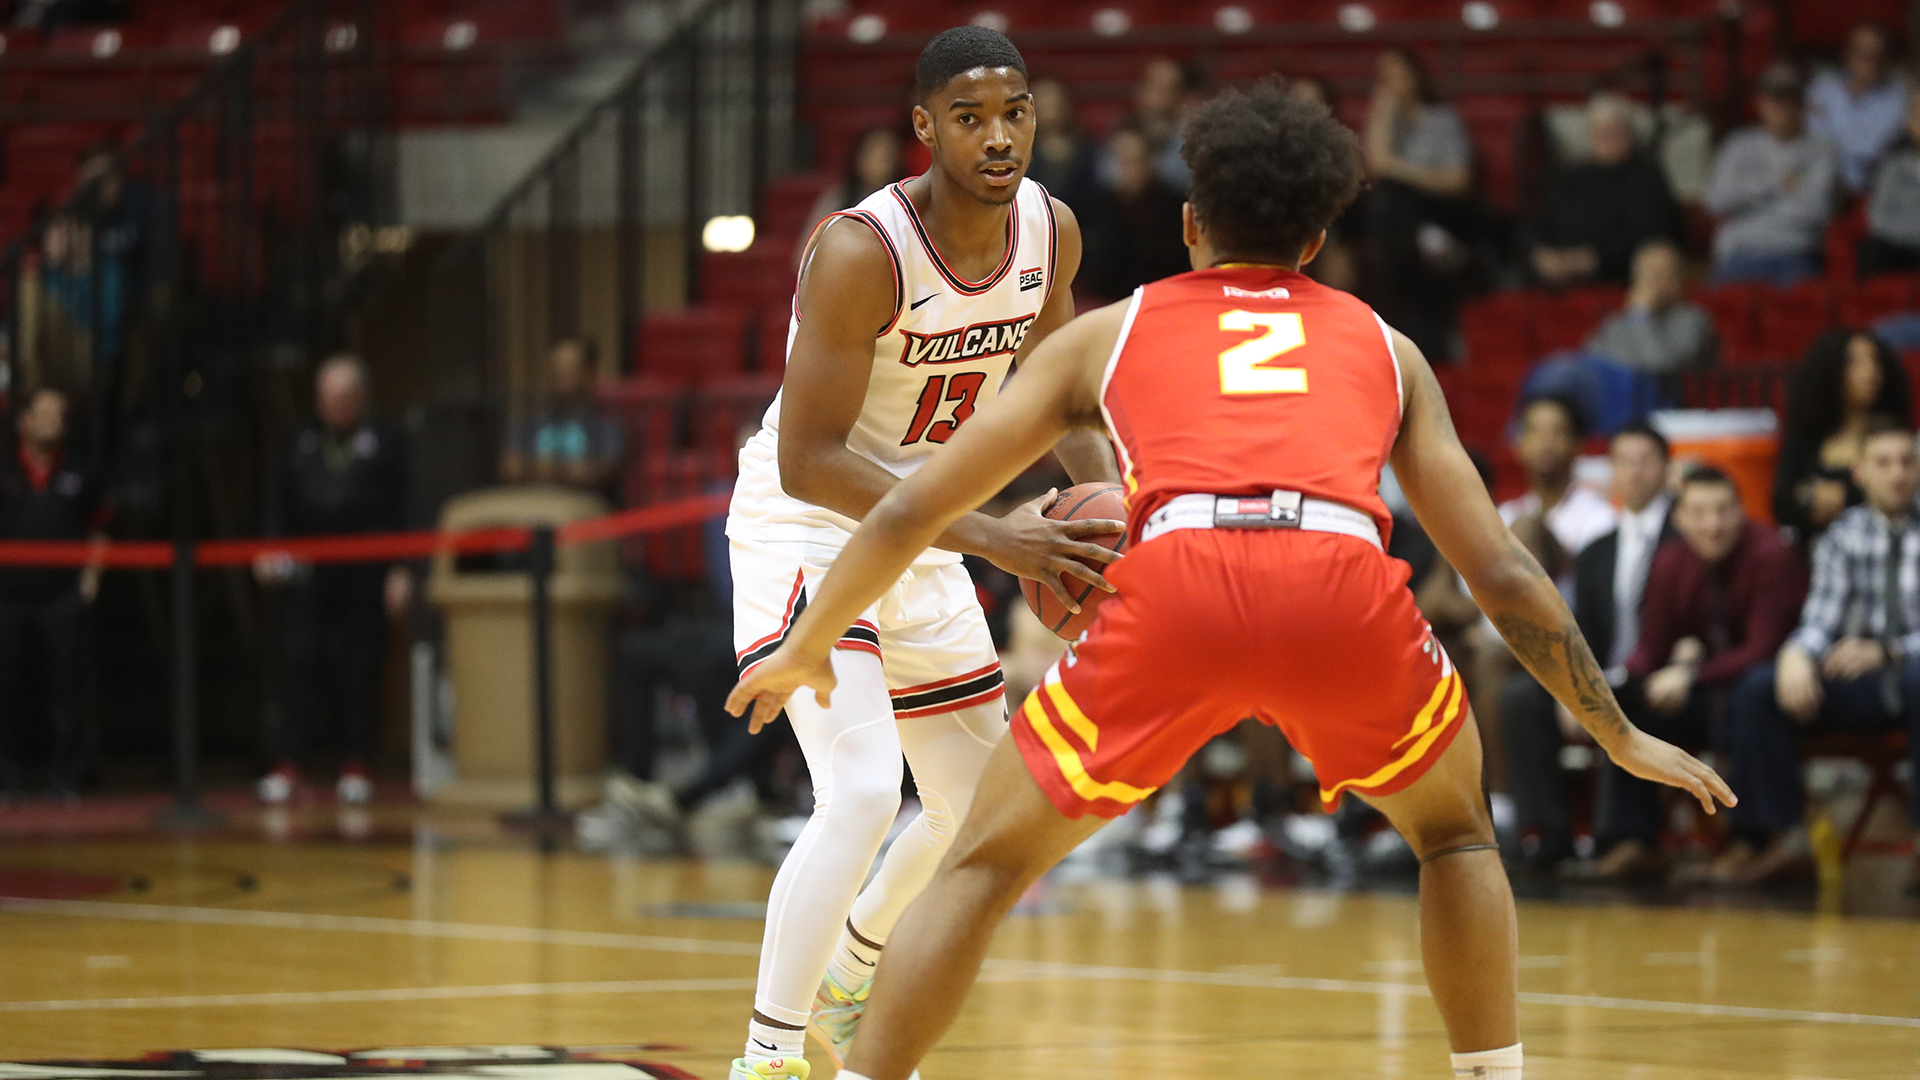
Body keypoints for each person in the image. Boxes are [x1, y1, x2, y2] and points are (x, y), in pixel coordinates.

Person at [730, 86, 1731, 1080]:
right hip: (1340, 584)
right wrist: (1616, 731)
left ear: (1189, 224)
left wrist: (809, 643)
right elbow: (1502, 572)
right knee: (1458, 838)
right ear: (1318, 237)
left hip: (1179, 586)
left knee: (983, 865)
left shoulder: (1108, 334)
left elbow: (906, 508)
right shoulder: (1391, 349)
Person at [720, 26, 1120, 1080]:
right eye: (971, 117)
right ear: (924, 129)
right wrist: (999, 538)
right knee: (858, 791)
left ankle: (854, 970)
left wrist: (1119, 496)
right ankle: (763, 1058)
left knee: (984, 808)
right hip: (809, 523)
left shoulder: (1050, 230)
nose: (999, 137)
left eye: (1016, 112)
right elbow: (809, 461)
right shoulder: (862, 250)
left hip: (932, 521)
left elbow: (1062, 394)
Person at [1585, 467, 1804, 881]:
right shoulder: (1670, 561)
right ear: (1680, 518)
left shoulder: (1772, 554)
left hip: (1768, 691)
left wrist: (1691, 676)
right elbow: (1652, 646)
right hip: (1707, 690)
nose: (1713, 525)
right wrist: (1619, 682)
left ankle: (1759, 842)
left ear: (1742, 511)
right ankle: (1633, 840)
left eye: (1723, 511)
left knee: (1752, 693)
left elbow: (1763, 648)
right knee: (1629, 700)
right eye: (1700, 513)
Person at [1734, 420, 1920, 889]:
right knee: (1759, 688)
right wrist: (1795, 654)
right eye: (1884, 463)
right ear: (1860, 473)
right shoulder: (1842, 534)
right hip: (1857, 682)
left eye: (1907, 461)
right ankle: (1786, 840)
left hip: (1908, 673)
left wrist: (1888, 650)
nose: (1897, 473)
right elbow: (1820, 617)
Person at [1501, 422, 1673, 871]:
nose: (1634, 473)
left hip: (1659, 676)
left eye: (1645, 461)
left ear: (1666, 471)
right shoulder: (1598, 548)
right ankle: (1546, 833)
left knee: (1626, 695)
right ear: (1610, 472)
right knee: (1521, 698)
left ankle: (1622, 839)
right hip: (1606, 674)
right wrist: (1569, 688)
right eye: (1624, 462)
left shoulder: (1683, 539)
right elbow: (1586, 632)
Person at [255, 354, 411, 806]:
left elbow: (402, 507)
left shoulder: (387, 440)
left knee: (360, 667)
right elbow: (277, 500)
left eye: (344, 396)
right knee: (298, 660)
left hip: (366, 573)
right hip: (307, 573)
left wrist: (401, 569)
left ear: (361, 397)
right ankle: (289, 763)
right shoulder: (299, 439)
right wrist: (269, 548)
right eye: (327, 396)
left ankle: (357, 763)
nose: (335, 405)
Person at [0, 387, 107, 803]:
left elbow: (100, 524)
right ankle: (6, 779)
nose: (55, 423)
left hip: (61, 595)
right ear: (24, 421)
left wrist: (92, 575)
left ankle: (65, 778)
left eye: (60, 416)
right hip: (8, 596)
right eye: (45, 415)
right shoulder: (5, 469)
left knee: (64, 691)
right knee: (4, 689)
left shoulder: (80, 472)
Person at [1362, 47, 1478, 361]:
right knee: (1390, 200)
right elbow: (1375, 166)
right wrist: (1383, 112)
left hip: (1443, 210)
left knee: (1396, 198)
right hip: (1399, 220)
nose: (1393, 84)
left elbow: (1457, 180)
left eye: (1399, 75)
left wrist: (1403, 173)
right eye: (1385, 78)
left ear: (1416, 76)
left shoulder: (1441, 120)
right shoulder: (1384, 122)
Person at [1528, 95, 1684, 289]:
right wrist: (1543, 257)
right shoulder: (1567, 180)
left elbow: (1652, 234)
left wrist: (1593, 259)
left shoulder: (1648, 178)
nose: (1607, 139)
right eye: (1600, 132)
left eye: (1614, 131)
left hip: (1623, 280)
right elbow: (1540, 225)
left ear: (1630, 135)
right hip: (1561, 282)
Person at [1704, 62, 1838, 286]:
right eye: (1775, 99)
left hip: (1796, 254)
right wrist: (1776, 185)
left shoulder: (1822, 150)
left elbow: (1816, 210)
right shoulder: (1738, 144)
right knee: (1713, 308)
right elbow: (1716, 201)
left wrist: (1746, 205)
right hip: (1741, 254)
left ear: (1802, 104)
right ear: (1761, 103)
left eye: (1790, 99)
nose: (1783, 107)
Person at [1773, 329, 1912, 542]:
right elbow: (1782, 502)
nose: (1869, 373)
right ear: (1830, 371)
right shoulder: (1805, 437)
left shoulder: (1895, 435)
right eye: (1855, 363)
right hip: (1813, 550)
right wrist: (1813, 500)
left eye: (1875, 362)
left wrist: (1844, 498)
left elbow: (1903, 495)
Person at [1500, 396, 1618, 582]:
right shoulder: (1504, 515)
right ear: (1518, 445)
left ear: (1577, 444)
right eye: (1534, 431)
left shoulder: (1601, 518)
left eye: (1556, 432)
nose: (1545, 442)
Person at [1078, 124, 1191, 303]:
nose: (1127, 170)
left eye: (1135, 161)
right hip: (1110, 305)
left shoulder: (1175, 206)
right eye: (1122, 161)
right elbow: (1094, 273)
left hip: (1166, 300)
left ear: (1150, 162)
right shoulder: (1096, 207)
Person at [499, 337, 622, 500]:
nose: (561, 376)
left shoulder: (605, 425)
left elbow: (601, 471)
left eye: (570, 369)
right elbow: (510, 467)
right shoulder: (533, 421)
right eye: (556, 369)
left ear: (588, 373)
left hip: (582, 506)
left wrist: (545, 469)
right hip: (531, 500)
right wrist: (564, 470)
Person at [1582, 240, 1717, 376]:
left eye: (1666, 275)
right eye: (1651, 275)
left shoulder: (1693, 321)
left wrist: (1641, 315)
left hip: (1665, 395)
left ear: (1680, 279)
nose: (1657, 285)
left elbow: (1659, 366)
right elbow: (1591, 360)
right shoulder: (1617, 322)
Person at [1806, 21, 1908, 195]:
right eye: (1864, 54)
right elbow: (1811, 136)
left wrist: (1833, 135)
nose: (1872, 62)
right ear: (1848, 54)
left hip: (1860, 189)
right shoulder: (1823, 87)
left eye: (1879, 55)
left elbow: (1869, 150)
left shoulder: (1899, 100)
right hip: (1813, 178)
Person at [800, 127, 907, 249]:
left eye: (886, 156)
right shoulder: (837, 199)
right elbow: (808, 250)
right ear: (858, 157)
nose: (879, 162)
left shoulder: (907, 203)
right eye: (873, 154)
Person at [1860, 80, 1920, 277]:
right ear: (1908, 123)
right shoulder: (1892, 167)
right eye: (1916, 111)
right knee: (1872, 250)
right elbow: (1879, 220)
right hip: (1900, 249)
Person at [1024, 78, 1098, 213]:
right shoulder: (1018, 154)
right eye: (1043, 101)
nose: (1049, 108)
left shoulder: (1088, 152)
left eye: (1053, 101)